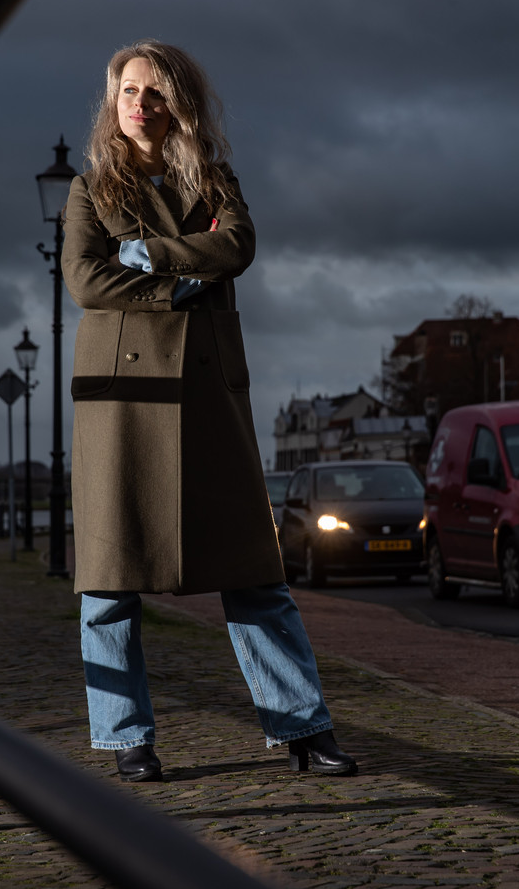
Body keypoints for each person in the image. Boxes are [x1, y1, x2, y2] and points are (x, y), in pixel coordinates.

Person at [61, 40, 357, 782]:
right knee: (109, 578)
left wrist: (149, 255)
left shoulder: (215, 179)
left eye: (156, 92)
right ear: (113, 100)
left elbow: (238, 249)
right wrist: (179, 282)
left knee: (254, 570)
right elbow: (86, 281)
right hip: (124, 399)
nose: (140, 104)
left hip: (207, 389)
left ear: (181, 103)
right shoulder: (89, 189)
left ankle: (303, 728)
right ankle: (127, 736)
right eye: (129, 91)